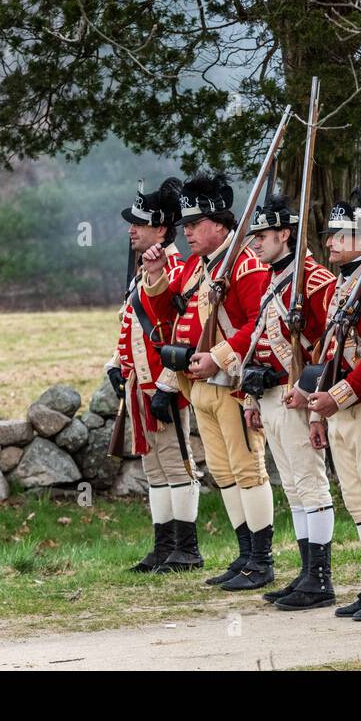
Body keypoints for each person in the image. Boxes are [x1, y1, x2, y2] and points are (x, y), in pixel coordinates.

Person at [141, 173, 273, 590]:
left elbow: (259, 324)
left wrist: (217, 356)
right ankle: (243, 555)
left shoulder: (246, 265)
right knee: (224, 472)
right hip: (200, 387)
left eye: (194, 226)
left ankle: (262, 560)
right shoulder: (198, 267)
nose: (188, 233)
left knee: (248, 471)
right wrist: (157, 273)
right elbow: (166, 311)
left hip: (232, 383)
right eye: (185, 227)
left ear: (219, 225)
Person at [289, 190, 361, 620]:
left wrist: (335, 398)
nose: (331, 240)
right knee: (357, 498)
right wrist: (319, 411)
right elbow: (328, 350)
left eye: (341, 233)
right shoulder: (343, 285)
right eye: (331, 233)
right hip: (339, 405)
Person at [240, 195, 339, 610]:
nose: (257, 243)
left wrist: (311, 397)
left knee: (311, 485)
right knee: (295, 491)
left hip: (296, 394)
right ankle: (304, 573)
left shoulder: (313, 281)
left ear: (285, 234)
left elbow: (328, 346)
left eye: (263, 235)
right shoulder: (269, 279)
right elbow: (257, 342)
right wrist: (250, 396)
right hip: (270, 393)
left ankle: (320, 578)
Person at [107, 178, 202, 574]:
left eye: (140, 224)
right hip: (139, 383)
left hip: (166, 384)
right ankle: (163, 547)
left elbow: (180, 330)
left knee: (177, 464)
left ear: (161, 230)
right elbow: (131, 322)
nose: (132, 229)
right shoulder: (143, 272)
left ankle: (187, 549)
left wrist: (165, 385)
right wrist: (115, 363)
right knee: (155, 468)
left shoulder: (176, 271)